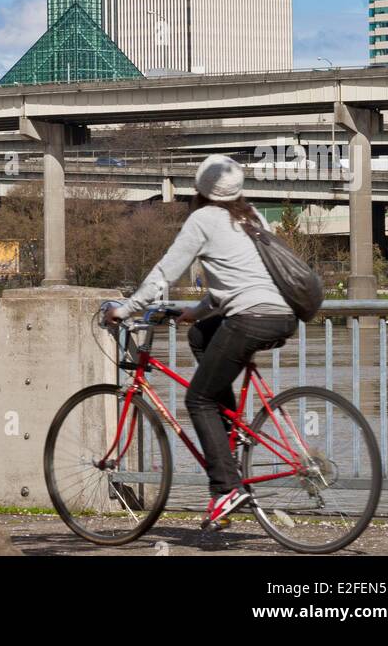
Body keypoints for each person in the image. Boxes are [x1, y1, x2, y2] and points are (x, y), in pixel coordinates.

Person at [104, 154, 297, 530]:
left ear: (200, 189)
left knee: (197, 399)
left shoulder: (202, 219)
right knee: (199, 335)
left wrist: (126, 310)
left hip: (250, 318)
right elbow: (241, 278)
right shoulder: (250, 216)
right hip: (283, 313)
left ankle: (226, 487)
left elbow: (164, 274)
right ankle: (230, 426)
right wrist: (199, 310)